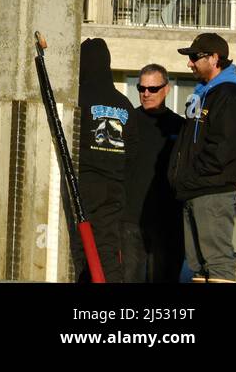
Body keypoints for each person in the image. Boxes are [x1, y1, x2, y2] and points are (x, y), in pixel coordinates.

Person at [170, 33, 236, 283]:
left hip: (212, 192)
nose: (189, 63)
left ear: (214, 58)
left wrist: (192, 175)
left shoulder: (228, 93)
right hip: (196, 191)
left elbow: (226, 147)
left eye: (194, 57)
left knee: (218, 265)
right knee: (199, 268)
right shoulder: (204, 94)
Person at [73, 37, 136, 282]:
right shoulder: (125, 104)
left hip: (85, 184)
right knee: (108, 247)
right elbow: (133, 149)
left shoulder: (78, 97)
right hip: (115, 187)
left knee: (80, 246)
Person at [121, 63, 183, 282]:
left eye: (153, 89)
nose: (146, 93)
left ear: (166, 89)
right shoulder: (127, 122)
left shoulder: (180, 126)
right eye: (141, 88)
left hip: (168, 223)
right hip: (130, 221)